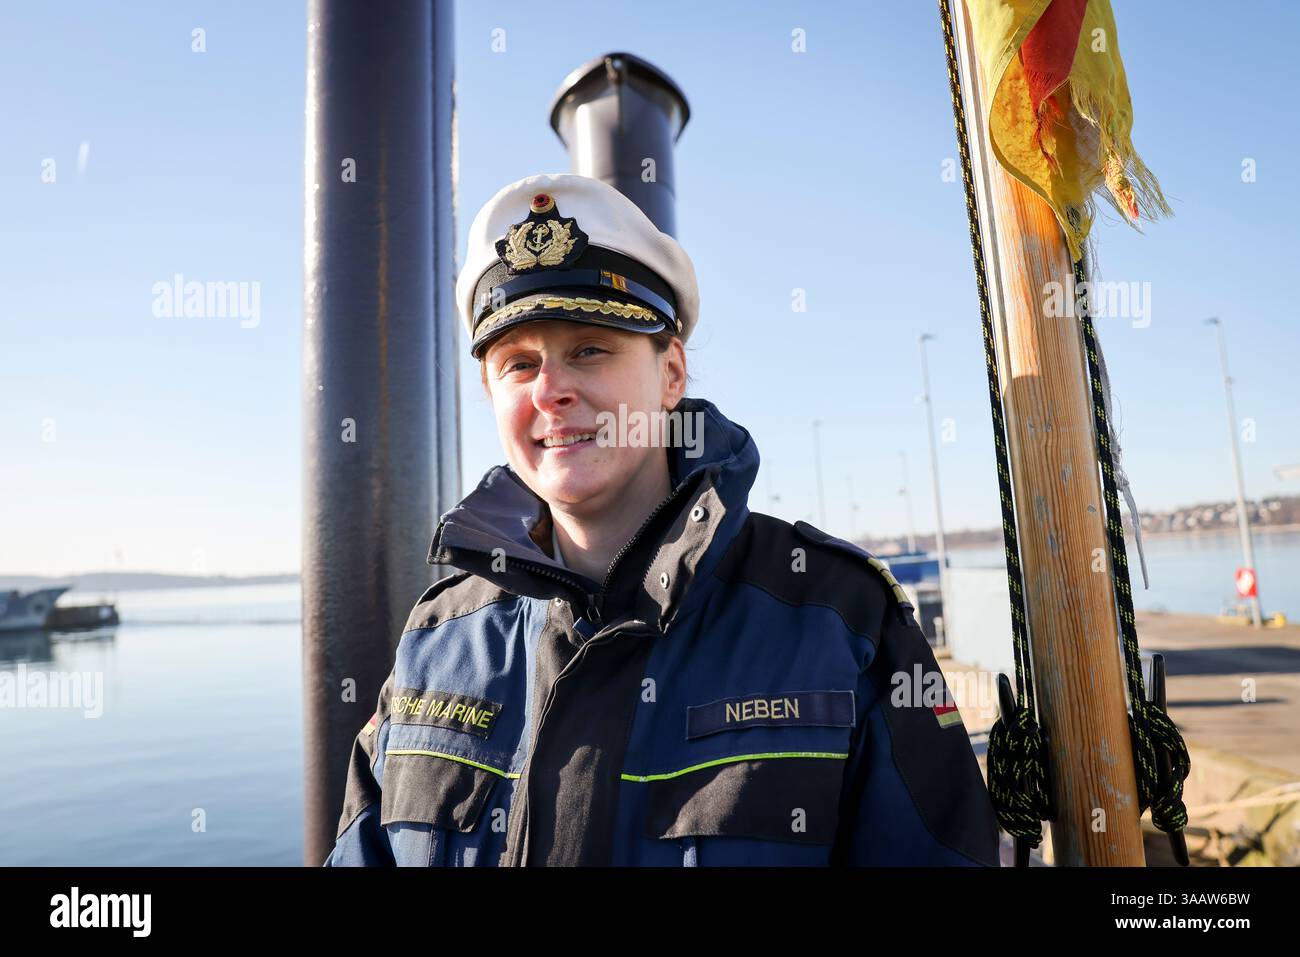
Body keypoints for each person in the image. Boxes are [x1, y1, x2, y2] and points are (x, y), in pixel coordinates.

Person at [323, 172, 1000, 867]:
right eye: (518, 363)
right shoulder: (437, 644)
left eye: (589, 348)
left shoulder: (839, 623)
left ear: (671, 372)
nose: (551, 390)